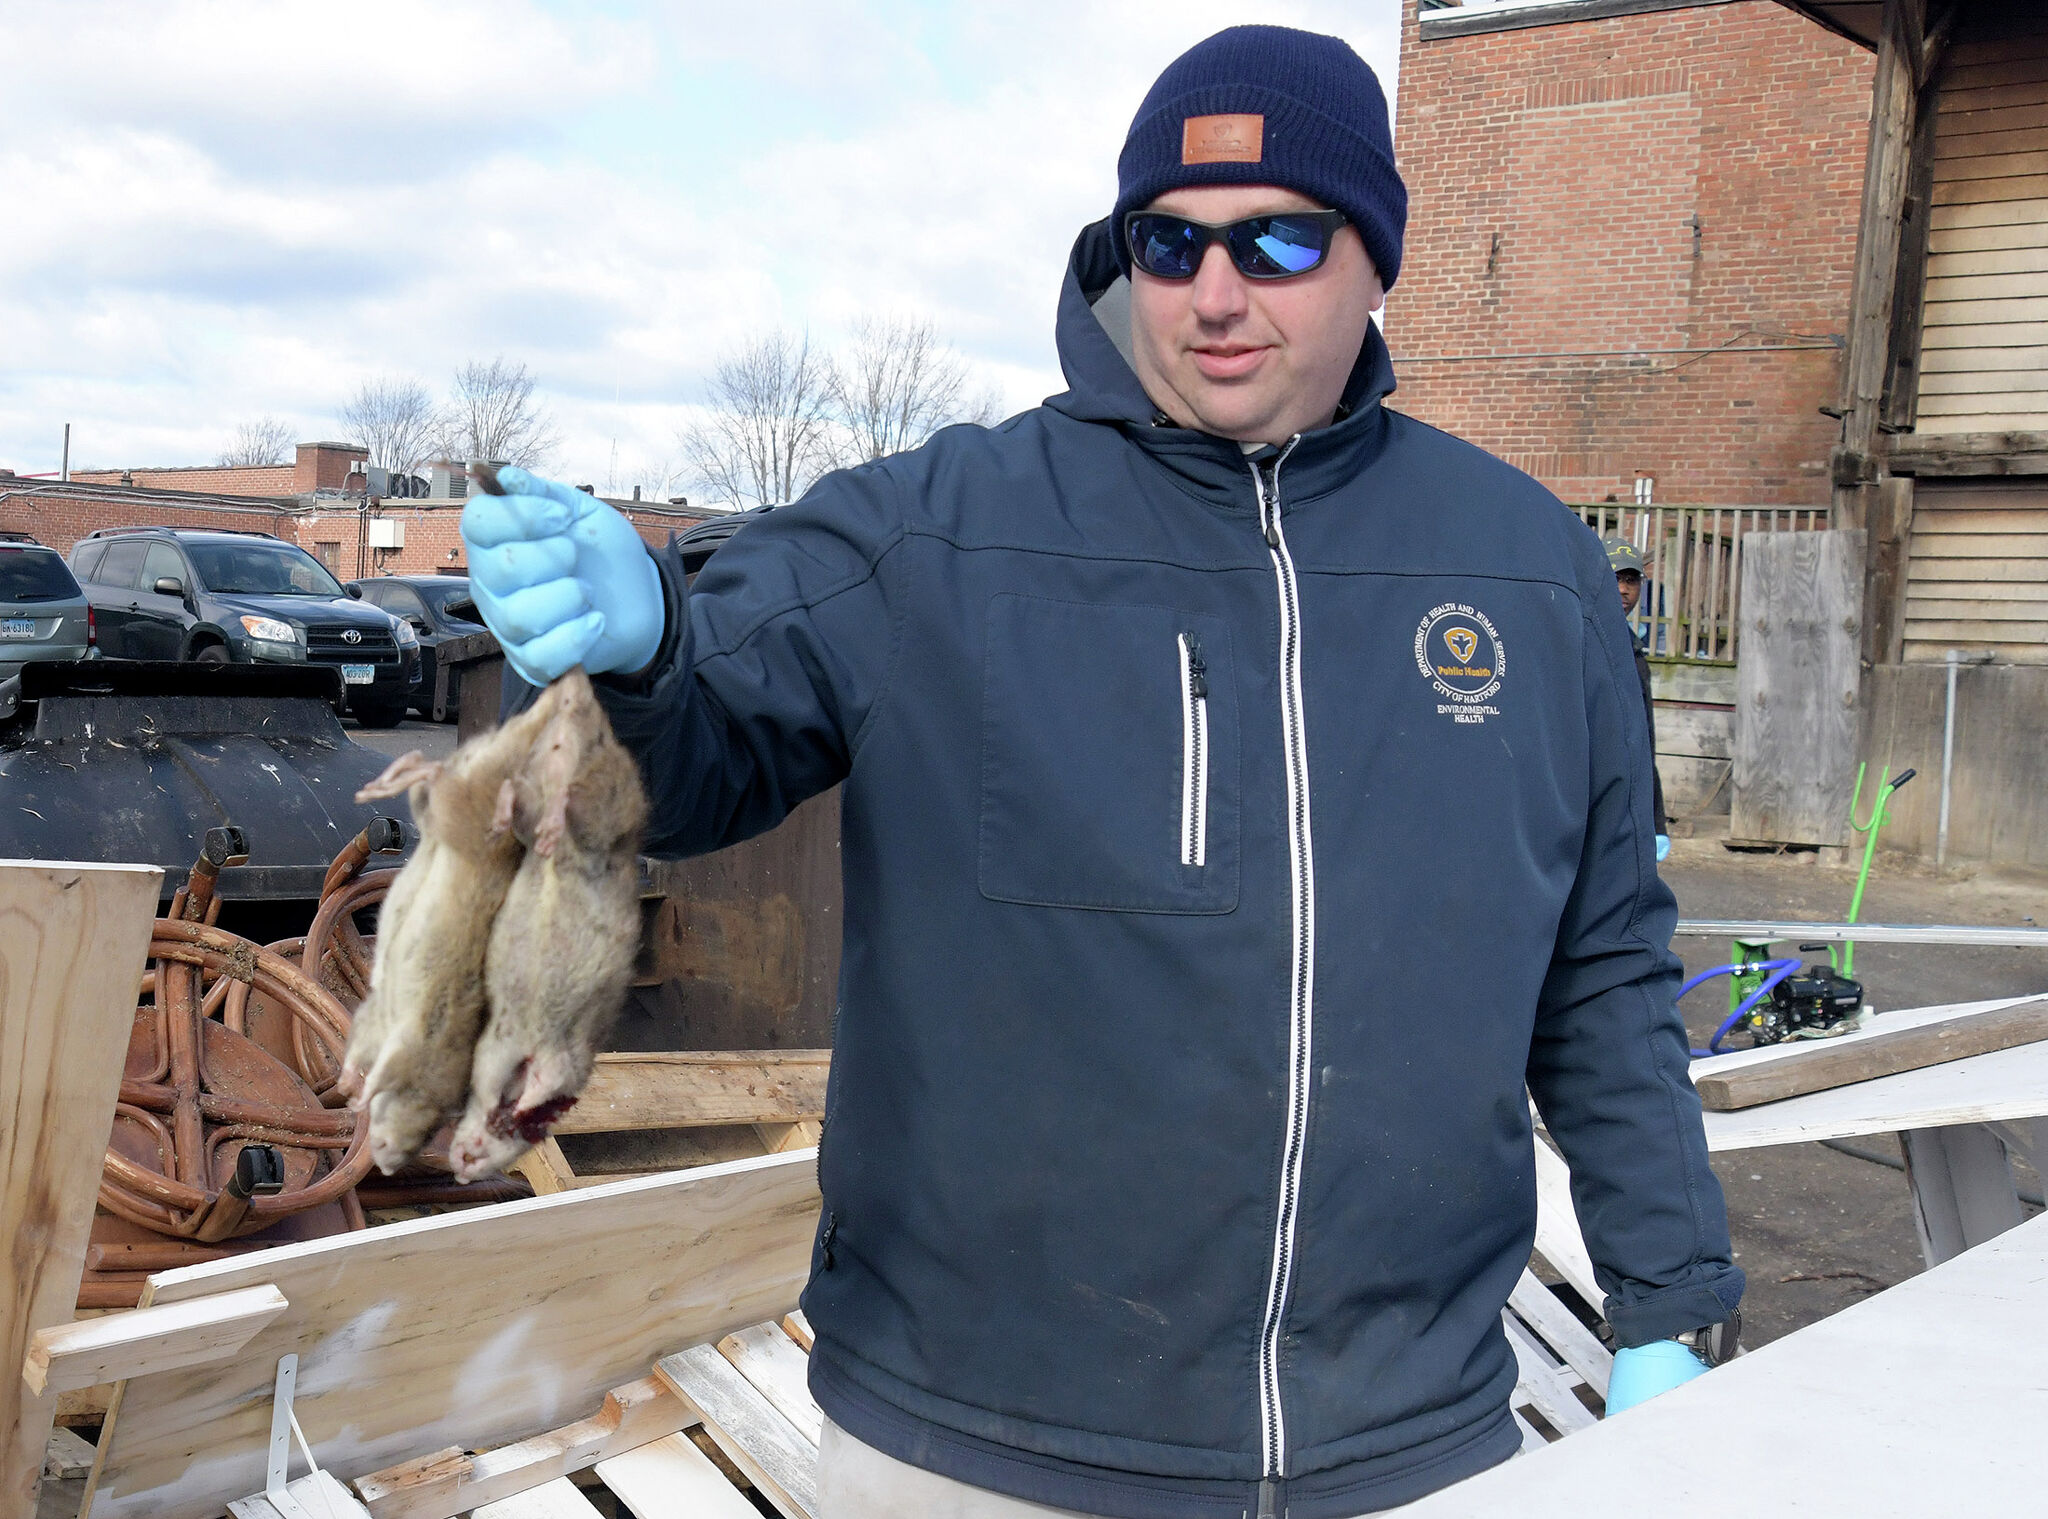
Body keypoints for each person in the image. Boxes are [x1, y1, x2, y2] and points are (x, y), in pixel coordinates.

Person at [462, 26, 1742, 1518]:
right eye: (1170, 240)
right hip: (975, 1443)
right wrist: (644, 659)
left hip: (1401, 1444)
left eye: (1278, 239)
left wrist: (1667, 1291)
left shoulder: (1526, 573)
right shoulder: (935, 536)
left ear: (1376, 255)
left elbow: (1601, 968)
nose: (1214, 291)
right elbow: (701, 756)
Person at [1602, 537, 1671, 863]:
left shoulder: (1633, 651)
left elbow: (1645, 738)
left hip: (1625, 798)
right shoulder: (1580, 641)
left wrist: (1655, 818)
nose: (1623, 590)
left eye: (1631, 580)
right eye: (1614, 578)